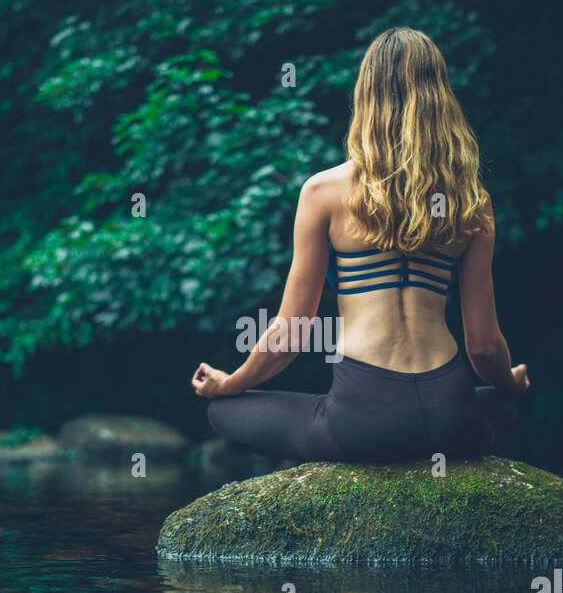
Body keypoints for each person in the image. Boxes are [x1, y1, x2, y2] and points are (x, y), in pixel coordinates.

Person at [191, 26, 528, 464]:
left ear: (366, 96)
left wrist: (230, 383)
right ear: (440, 97)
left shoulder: (324, 191)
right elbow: (483, 346)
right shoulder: (471, 198)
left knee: (223, 411)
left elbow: (292, 332)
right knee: (503, 402)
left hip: (363, 422)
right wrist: (512, 383)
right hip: (452, 417)